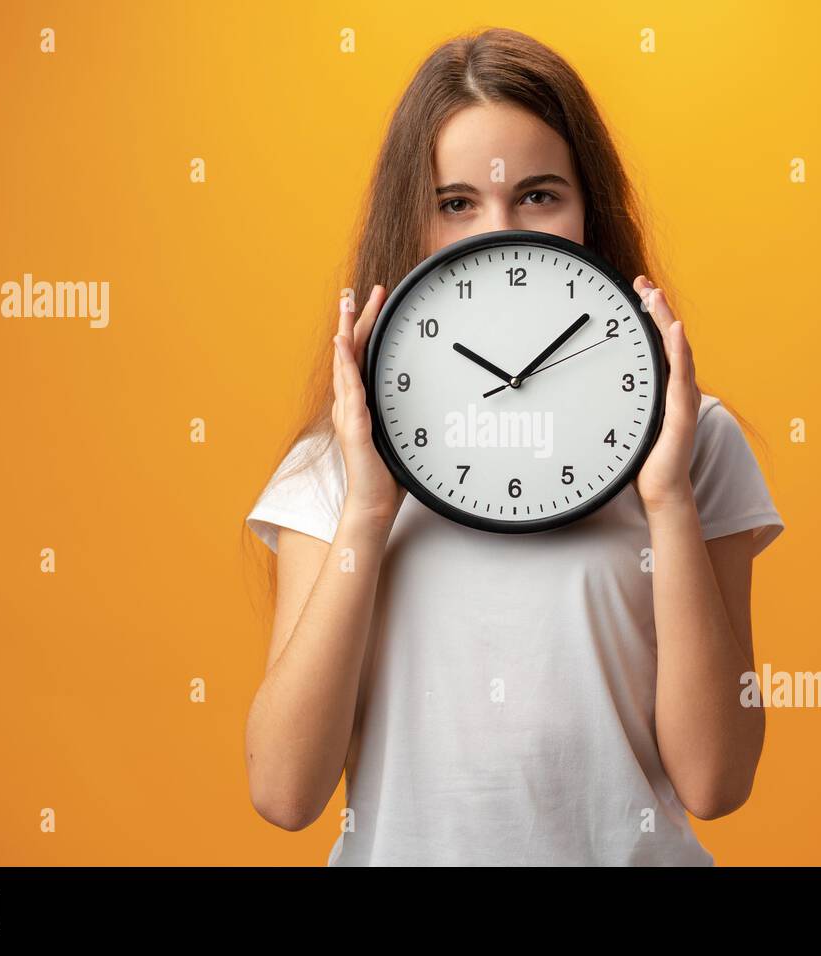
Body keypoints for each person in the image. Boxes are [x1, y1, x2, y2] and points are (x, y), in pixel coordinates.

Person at [243, 27, 785, 866]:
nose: (502, 234)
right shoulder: (333, 470)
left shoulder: (693, 442)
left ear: (590, 212)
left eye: (538, 196)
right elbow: (283, 791)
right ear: (413, 226)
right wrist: (369, 508)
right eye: (456, 203)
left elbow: (716, 781)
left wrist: (669, 499)